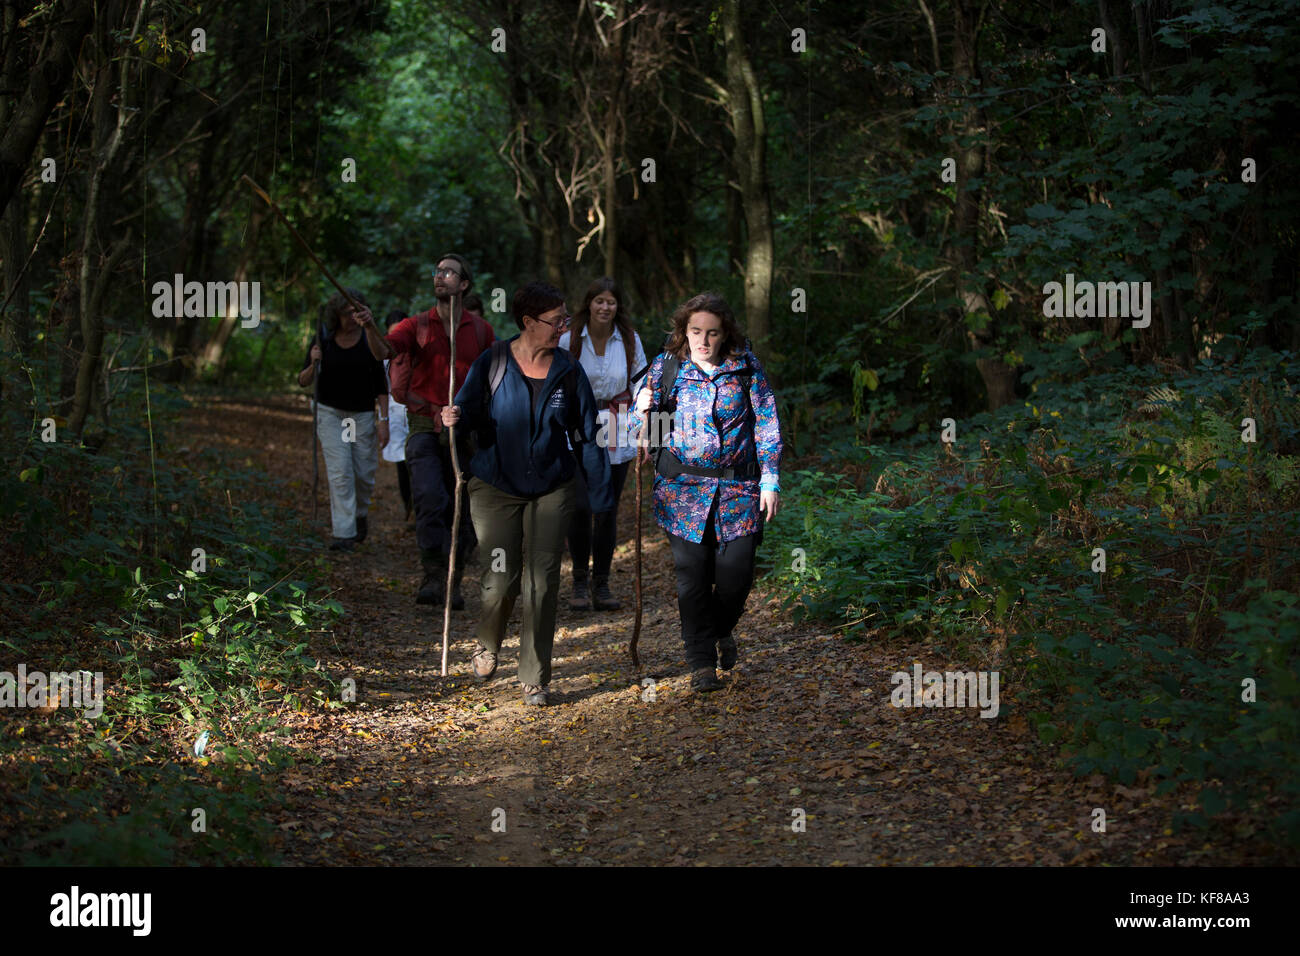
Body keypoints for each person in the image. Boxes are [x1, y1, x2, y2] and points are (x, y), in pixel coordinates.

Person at [441, 281, 612, 706]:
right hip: (495, 485)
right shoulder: (494, 361)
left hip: (552, 486)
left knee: (543, 581)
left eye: (564, 320)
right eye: (556, 321)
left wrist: (602, 495)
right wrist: (453, 418)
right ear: (528, 322)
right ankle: (488, 640)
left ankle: (534, 675)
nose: (562, 328)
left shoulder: (569, 371)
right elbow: (466, 412)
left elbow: (588, 435)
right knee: (501, 578)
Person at [634, 292, 782, 692]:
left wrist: (770, 480)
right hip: (681, 490)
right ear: (684, 330)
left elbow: (766, 424)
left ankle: (719, 630)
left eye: (712, 333)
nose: (702, 340)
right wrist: (642, 410)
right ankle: (700, 662)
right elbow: (648, 432)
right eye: (695, 331)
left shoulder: (746, 369)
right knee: (692, 579)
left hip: (739, 489)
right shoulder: (667, 368)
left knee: (736, 577)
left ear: (725, 334)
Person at [381, 254, 495, 607]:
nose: (440, 276)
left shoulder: (480, 331)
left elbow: (492, 382)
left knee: (464, 508)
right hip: (423, 429)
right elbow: (383, 350)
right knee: (430, 498)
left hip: (466, 434)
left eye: (449, 272)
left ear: (463, 284)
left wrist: (469, 414)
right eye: (437, 271)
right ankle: (432, 575)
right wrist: (370, 325)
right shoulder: (415, 326)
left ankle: (454, 578)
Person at [558, 277, 646, 611]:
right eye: (599, 301)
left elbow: (641, 383)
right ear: (589, 304)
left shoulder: (629, 340)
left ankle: (602, 584)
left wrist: (643, 425)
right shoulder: (569, 339)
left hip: (617, 425)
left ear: (617, 307)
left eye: (611, 302)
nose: (605, 307)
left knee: (606, 511)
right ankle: (579, 581)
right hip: (577, 427)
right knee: (580, 507)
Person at [297, 289, 390, 552]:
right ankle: (344, 533)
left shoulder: (368, 339)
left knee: (363, 474)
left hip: (361, 414)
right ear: (336, 314)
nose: (351, 317)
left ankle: (359, 514)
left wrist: (383, 419)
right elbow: (303, 381)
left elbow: (381, 383)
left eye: (355, 312)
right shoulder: (323, 340)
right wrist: (313, 363)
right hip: (330, 413)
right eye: (345, 312)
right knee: (340, 473)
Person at [381, 309, 413, 524]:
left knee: (417, 461)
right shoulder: (383, 352)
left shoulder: (416, 348)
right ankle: (409, 509)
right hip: (394, 412)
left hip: (416, 410)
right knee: (402, 464)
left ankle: (421, 509)